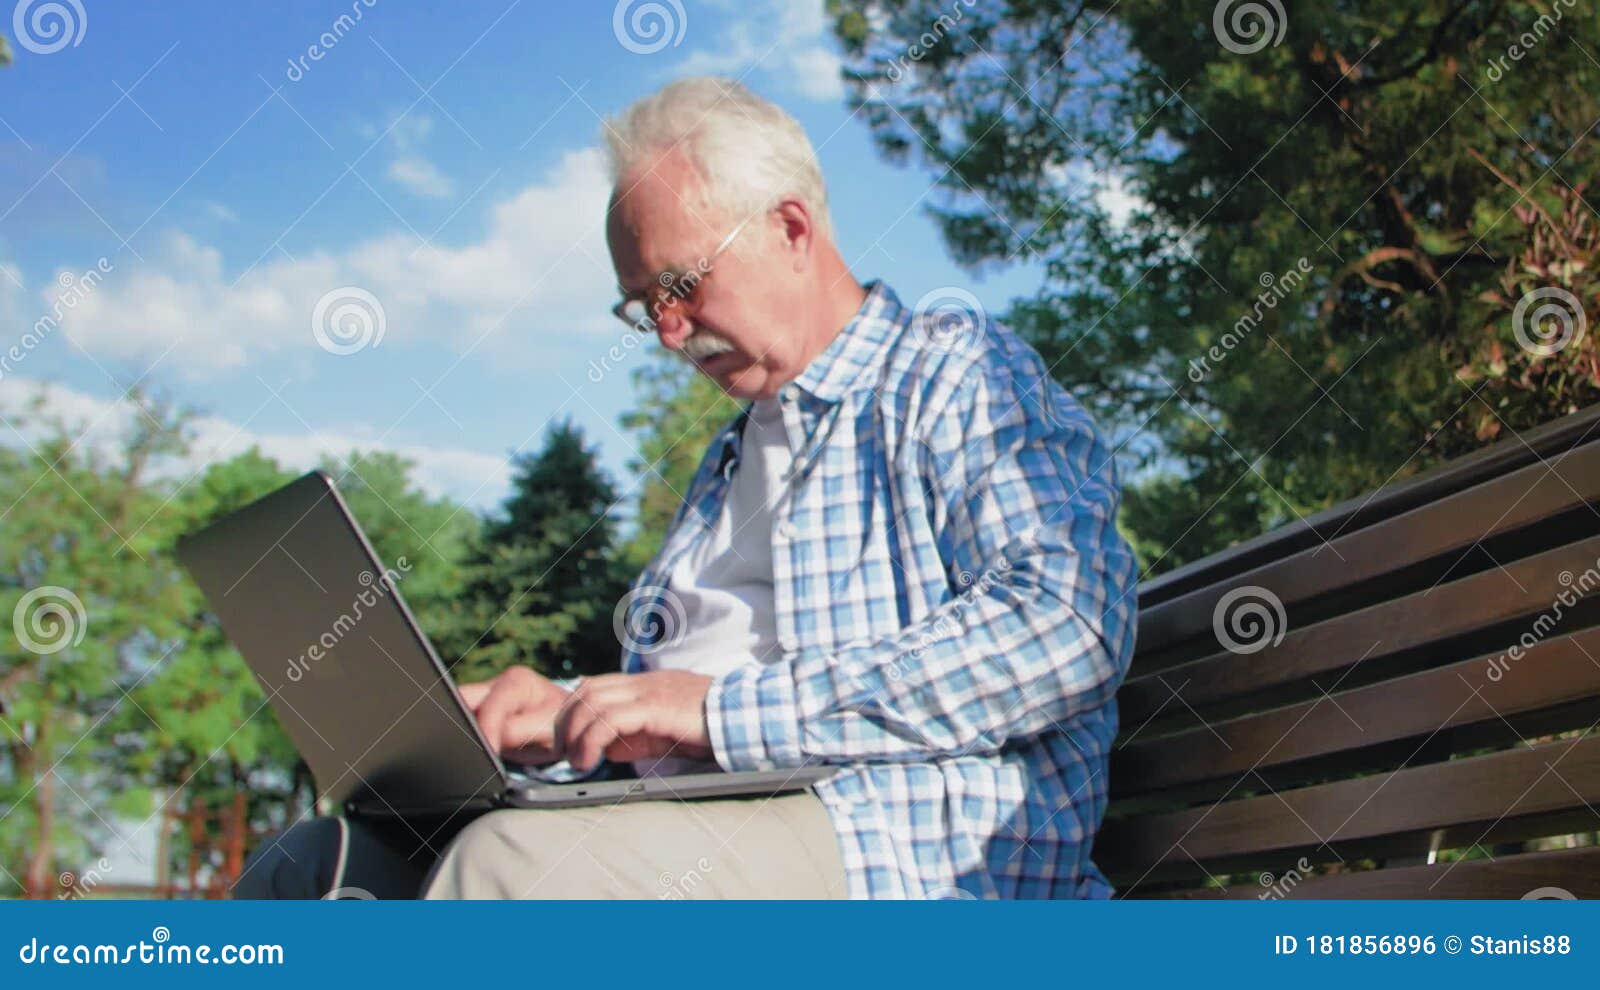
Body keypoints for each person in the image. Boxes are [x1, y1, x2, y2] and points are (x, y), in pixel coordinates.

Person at [235, 76, 1138, 900]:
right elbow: (677, 705)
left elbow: (1069, 625)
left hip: (901, 839)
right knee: (314, 863)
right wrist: (566, 717)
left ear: (791, 228)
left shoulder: (951, 371)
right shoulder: (731, 456)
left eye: (681, 284)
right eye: (642, 306)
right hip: (709, 819)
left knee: (507, 872)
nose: (668, 333)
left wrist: (713, 710)